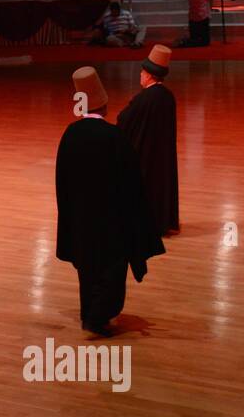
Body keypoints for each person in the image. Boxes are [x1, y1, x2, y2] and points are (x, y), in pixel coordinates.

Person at [55, 67, 164, 336]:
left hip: (81, 218)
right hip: (111, 219)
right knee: (111, 270)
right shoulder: (114, 137)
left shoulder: (70, 135)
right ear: (103, 106)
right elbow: (132, 182)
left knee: (88, 270)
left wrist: (69, 214)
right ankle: (97, 317)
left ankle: (88, 312)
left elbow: (62, 181)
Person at [116, 46, 180, 237]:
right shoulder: (168, 97)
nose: (141, 75)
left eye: (143, 72)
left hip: (143, 153)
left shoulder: (143, 99)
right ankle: (162, 221)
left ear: (150, 75)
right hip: (163, 154)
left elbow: (123, 119)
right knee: (161, 185)